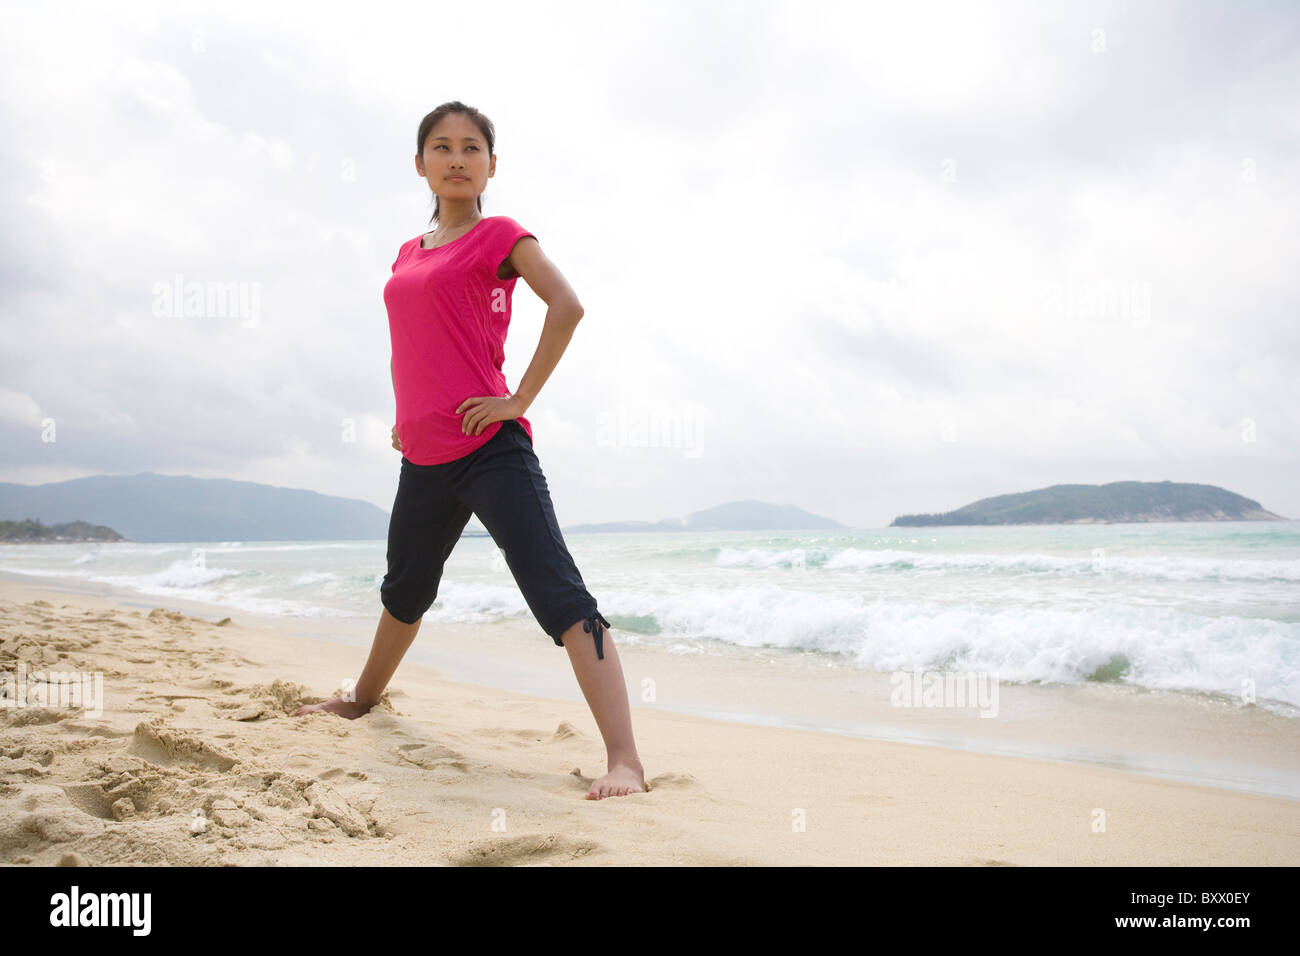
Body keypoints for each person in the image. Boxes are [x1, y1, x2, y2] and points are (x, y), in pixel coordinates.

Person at [294, 101, 647, 800]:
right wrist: (404, 416)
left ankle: (626, 762)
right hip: (423, 455)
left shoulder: (500, 236)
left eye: (471, 147)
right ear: (420, 162)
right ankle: (363, 698)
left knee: (558, 591)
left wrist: (518, 400)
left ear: (490, 164)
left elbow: (567, 305)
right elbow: (409, 347)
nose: (457, 157)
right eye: (441, 146)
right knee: (405, 589)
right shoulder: (406, 253)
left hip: (491, 449)